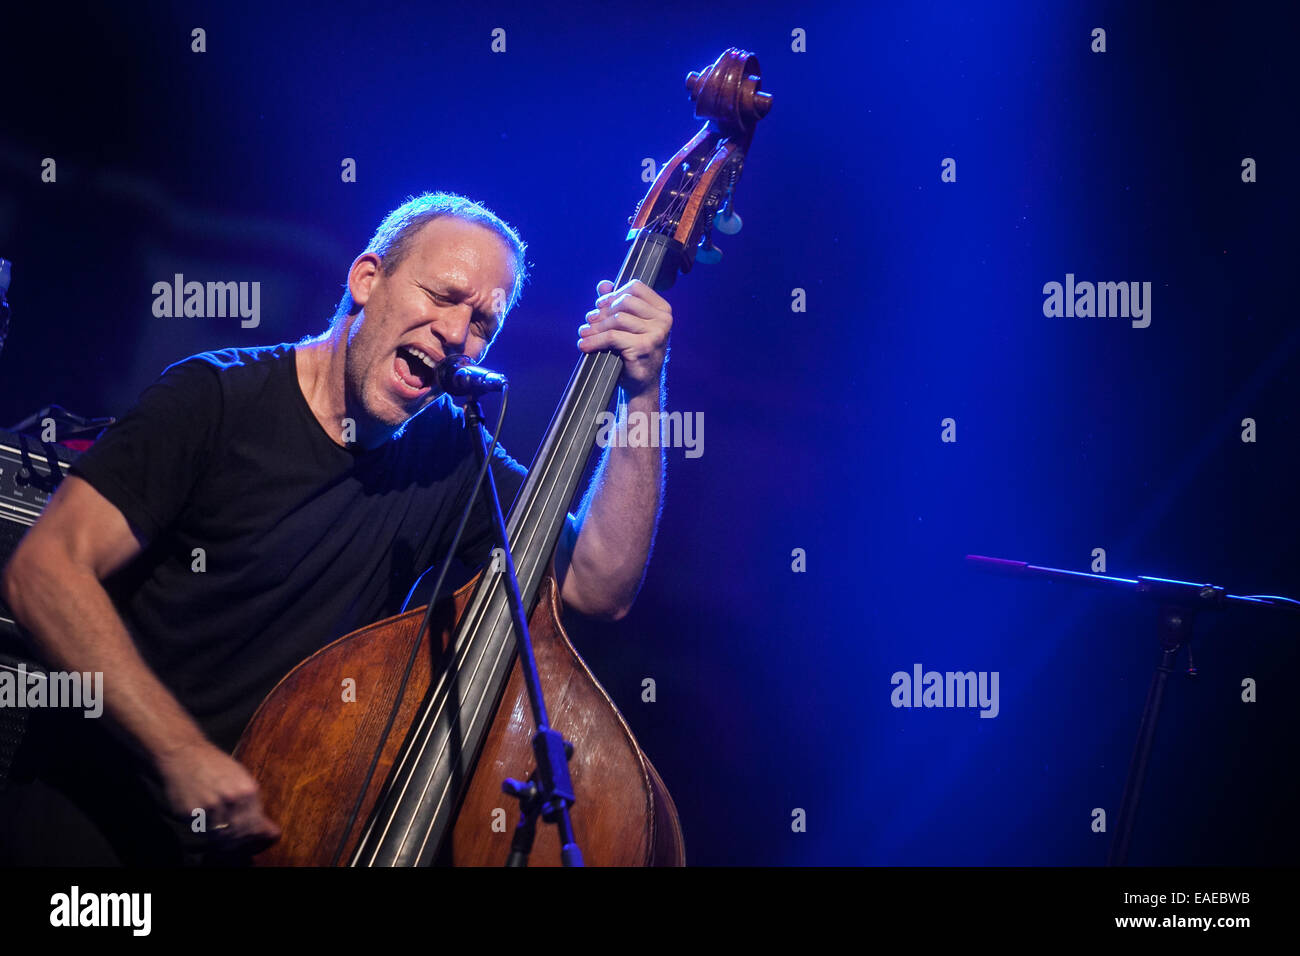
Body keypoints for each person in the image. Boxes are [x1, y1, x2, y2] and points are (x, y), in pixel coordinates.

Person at [0, 192, 672, 865]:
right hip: (94, 829)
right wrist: (178, 752)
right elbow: (45, 570)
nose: (455, 332)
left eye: (481, 324)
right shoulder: (213, 399)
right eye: (442, 295)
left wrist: (642, 388)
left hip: (264, 844)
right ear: (366, 279)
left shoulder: (448, 454)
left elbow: (596, 583)